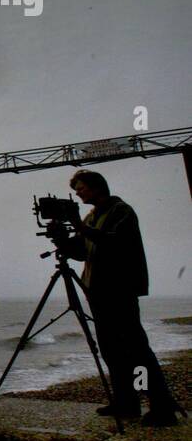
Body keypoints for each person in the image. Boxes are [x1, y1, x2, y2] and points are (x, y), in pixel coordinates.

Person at [55, 170, 178, 426]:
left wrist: (80, 227)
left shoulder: (121, 211)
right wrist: (62, 240)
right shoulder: (92, 216)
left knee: (136, 350)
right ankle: (126, 402)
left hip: (120, 290)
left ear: (97, 187)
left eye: (81, 188)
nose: (78, 193)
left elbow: (115, 243)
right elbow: (81, 251)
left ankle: (161, 407)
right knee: (111, 350)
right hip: (98, 292)